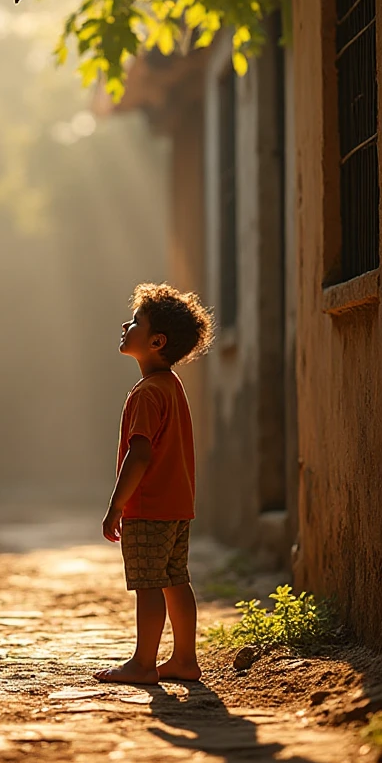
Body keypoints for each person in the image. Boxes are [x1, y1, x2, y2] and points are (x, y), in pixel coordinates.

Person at [95, 283, 213, 685]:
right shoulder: (172, 387)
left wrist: (116, 505)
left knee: (148, 586)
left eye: (136, 322)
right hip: (178, 508)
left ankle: (144, 662)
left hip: (148, 508)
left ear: (156, 340)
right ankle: (184, 658)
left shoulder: (146, 394)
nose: (126, 325)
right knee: (176, 580)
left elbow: (140, 454)